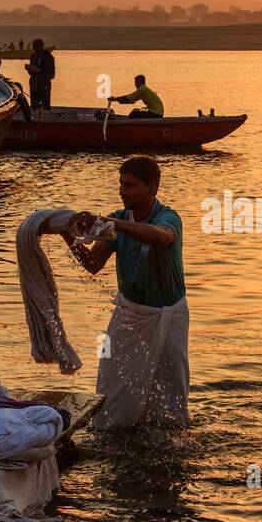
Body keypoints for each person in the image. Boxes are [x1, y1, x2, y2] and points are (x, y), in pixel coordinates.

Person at [61, 155, 189, 429]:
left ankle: (167, 429)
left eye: (130, 185)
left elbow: (161, 237)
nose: (122, 191)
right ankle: (112, 429)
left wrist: (111, 224)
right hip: (130, 313)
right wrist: (66, 235)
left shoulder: (168, 217)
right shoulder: (117, 221)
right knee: (114, 377)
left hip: (169, 314)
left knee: (169, 382)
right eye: (120, 184)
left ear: (152, 188)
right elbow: (93, 264)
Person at [25, 38, 56, 111]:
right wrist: (29, 69)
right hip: (33, 86)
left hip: (44, 87)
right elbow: (32, 74)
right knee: (34, 108)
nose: (34, 48)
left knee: (45, 108)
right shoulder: (33, 56)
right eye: (33, 47)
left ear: (41, 46)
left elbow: (52, 75)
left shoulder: (49, 57)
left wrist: (38, 70)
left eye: (35, 47)